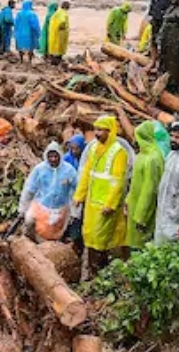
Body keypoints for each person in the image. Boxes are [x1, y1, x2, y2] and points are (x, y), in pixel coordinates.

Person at [73, 116, 130, 277]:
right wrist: (79, 196)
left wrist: (110, 204)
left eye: (100, 130)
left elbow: (118, 181)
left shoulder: (119, 152)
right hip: (92, 202)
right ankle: (92, 272)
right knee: (90, 235)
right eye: (95, 129)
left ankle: (103, 272)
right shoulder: (93, 149)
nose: (96, 134)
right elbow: (86, 174)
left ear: (109, 131)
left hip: (106, 204)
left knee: (102, 237)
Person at [18, 143, 80, 241]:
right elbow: (29, 189)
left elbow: (77, 190)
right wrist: (22, 209)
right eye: (50, 156)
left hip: (61, 208)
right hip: (41, 205)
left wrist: (75, 212)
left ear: (60, 156)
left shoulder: (69, 170)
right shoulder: (40, 169)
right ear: (46, 156)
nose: (53, 159)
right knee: (29, 220)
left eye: (56, 156)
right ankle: (29, 240)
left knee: (54, 234)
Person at [126, 121, 165, 249]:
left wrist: (141, 216)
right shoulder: (143, 155)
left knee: (142, 247)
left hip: (143, 213)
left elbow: (150, 190)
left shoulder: (153, 158)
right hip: (134, 206)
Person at [14, 0, 42, 64]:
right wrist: (38, 33)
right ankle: (29, 60)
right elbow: (35, 25)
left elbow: (16, 24)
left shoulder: (19, 13)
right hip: (29, 33)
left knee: (20, 47)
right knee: (30, 47)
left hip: (20, 33)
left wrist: (15, 32)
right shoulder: (32, 14)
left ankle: (21, 60)